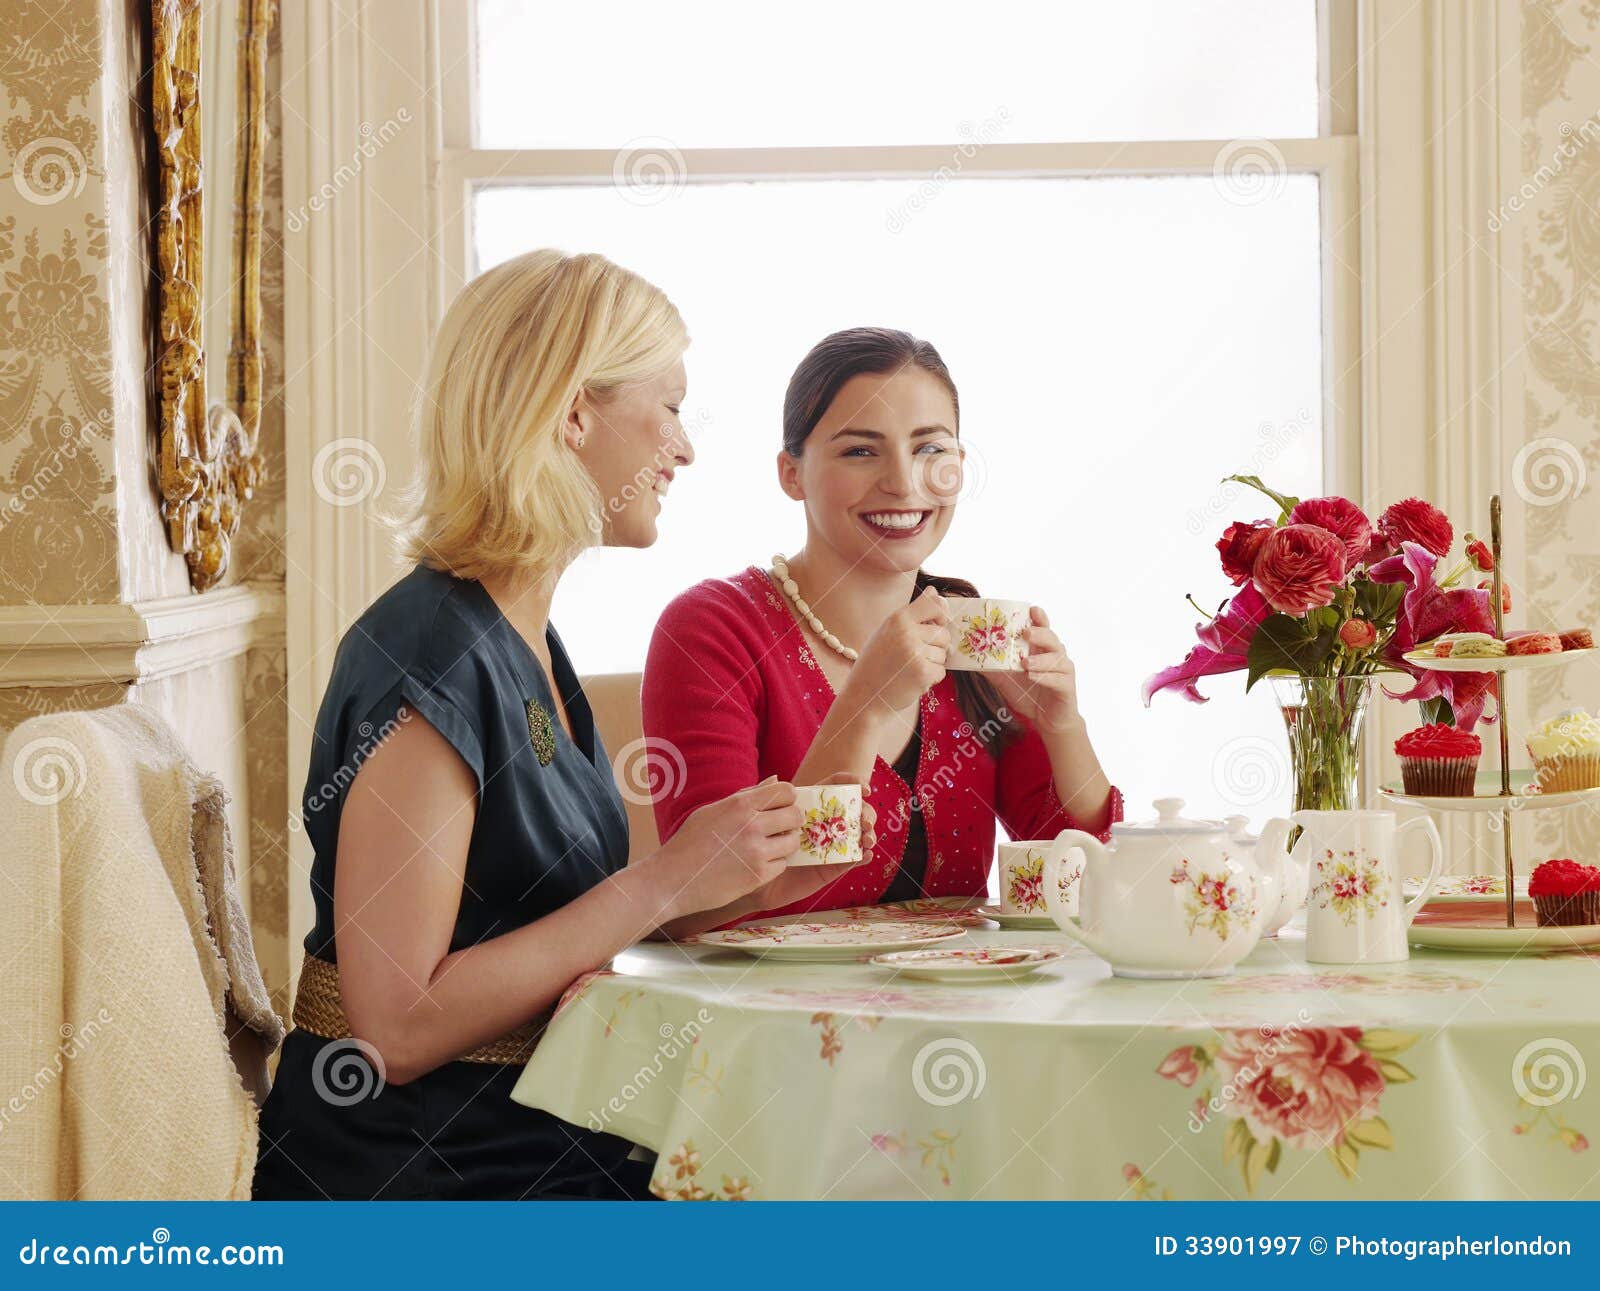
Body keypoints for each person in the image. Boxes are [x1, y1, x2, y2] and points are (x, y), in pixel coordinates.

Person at [252, 251, 866, 1200]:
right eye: (669, 407)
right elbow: (396, 1025)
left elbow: (543, 921)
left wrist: (737, 883)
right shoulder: (432, 657)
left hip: (530, 1132)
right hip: (421, 1171)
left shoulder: (522, 636)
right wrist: (666, 876)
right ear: (573, 413)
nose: (685, 447)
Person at [643, 327, 1119, 926]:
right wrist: (864, 705)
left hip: (957, 988)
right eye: (860, 451)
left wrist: (1063, 727)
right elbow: (700, 904)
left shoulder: (972, 635)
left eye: (930, 448)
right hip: (774, 990)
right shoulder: (713, 629)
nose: (903, 482)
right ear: (791, 473)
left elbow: (1087, 880)